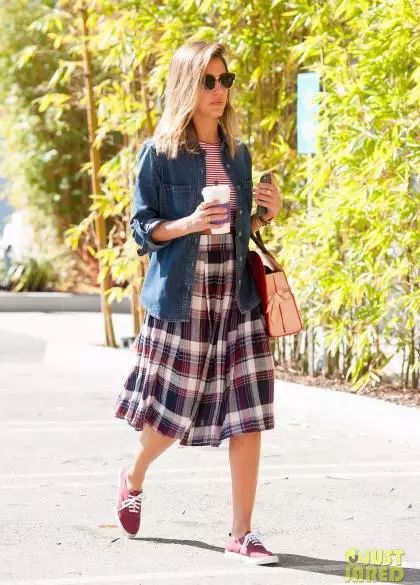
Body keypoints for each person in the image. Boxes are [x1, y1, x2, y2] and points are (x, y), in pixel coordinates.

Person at [114, 40, 282, 565]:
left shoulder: (238, 153)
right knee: (171, 415)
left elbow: (236, 229)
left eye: (224, 80)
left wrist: (264, 215)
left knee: (248, 413)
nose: (218, 90)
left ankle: (242, 533)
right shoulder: (159, 153)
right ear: (187, 85)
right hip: (184, 296)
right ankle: (133, 476)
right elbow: (142, 230)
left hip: (236, 294)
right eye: (208, 80)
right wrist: (187, 223)